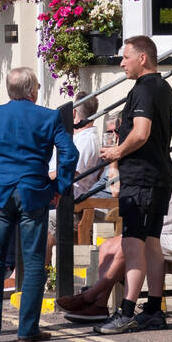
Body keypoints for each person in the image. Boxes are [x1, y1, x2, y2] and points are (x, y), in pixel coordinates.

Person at [56, 106, 172, 321]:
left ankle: (90, 296)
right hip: (158, 229)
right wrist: (115, 167)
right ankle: (99, 304)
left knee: (127, 246)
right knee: (109, 246)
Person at [0, 66, 78, 342]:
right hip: (33, 192)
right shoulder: (49, 117)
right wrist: (59, 186)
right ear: (33, 90)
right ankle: (27, 329)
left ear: (10, 91)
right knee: (34, 261)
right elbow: (69, 153)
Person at [90, 36, 172, 336]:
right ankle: (153, 308)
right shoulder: (163, 87)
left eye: (126, 57)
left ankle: (127, 311)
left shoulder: (143, 90)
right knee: (151, 242)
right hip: (159, 175)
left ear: (143, 58)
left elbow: (141, 133)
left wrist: (117, 152)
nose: (121, 63)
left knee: (133, 244)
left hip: (141, 177)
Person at [45, 93, 103, 264]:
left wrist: (39, 176)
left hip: (71, 199)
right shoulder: (77, 137)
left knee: (38, 216)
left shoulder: (87, 140)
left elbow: (71, 173)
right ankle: (19, 273)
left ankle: (34, 275)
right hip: (57, 192)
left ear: (74, 113)